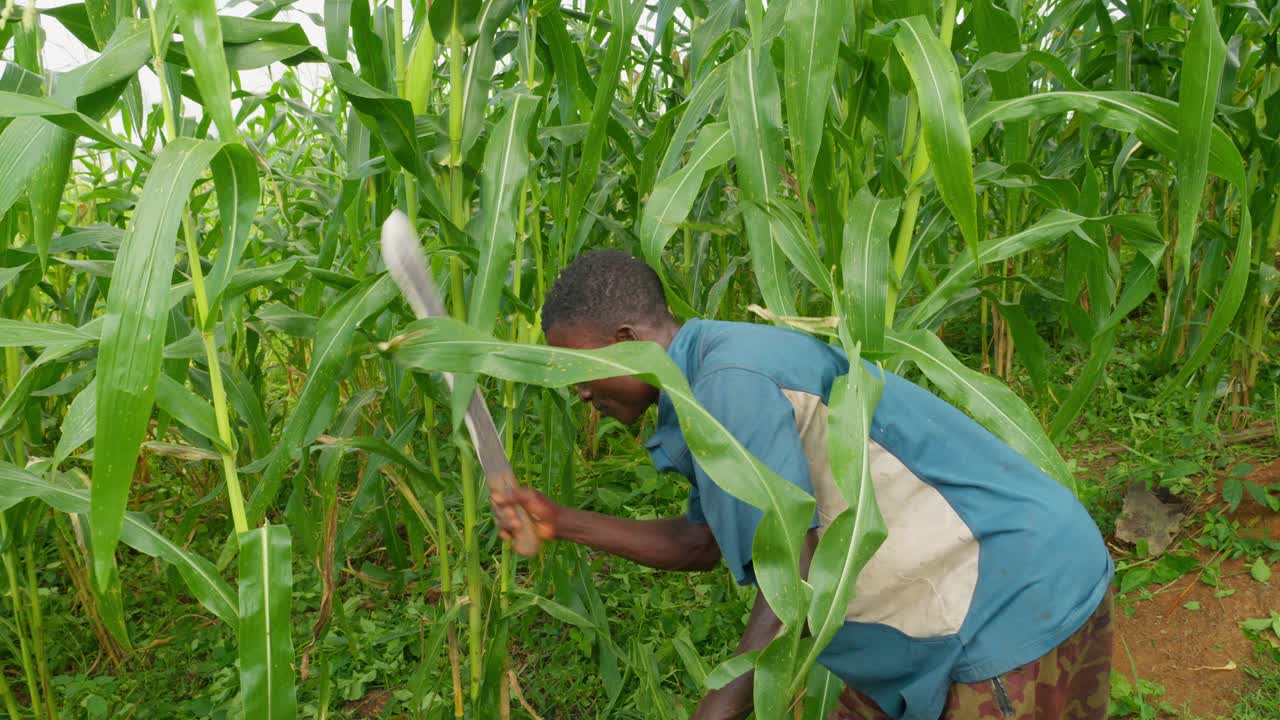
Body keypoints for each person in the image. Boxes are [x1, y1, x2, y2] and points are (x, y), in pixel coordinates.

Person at [491, 250, 1115, 720]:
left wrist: (715, 712)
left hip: (1005, 599)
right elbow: (700, 542)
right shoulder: (708, 376)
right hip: (977, 583)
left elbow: (794, 580)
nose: (577, 389)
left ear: (626, 341)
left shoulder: (728, 385)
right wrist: (559, 521)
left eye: (581, 365)